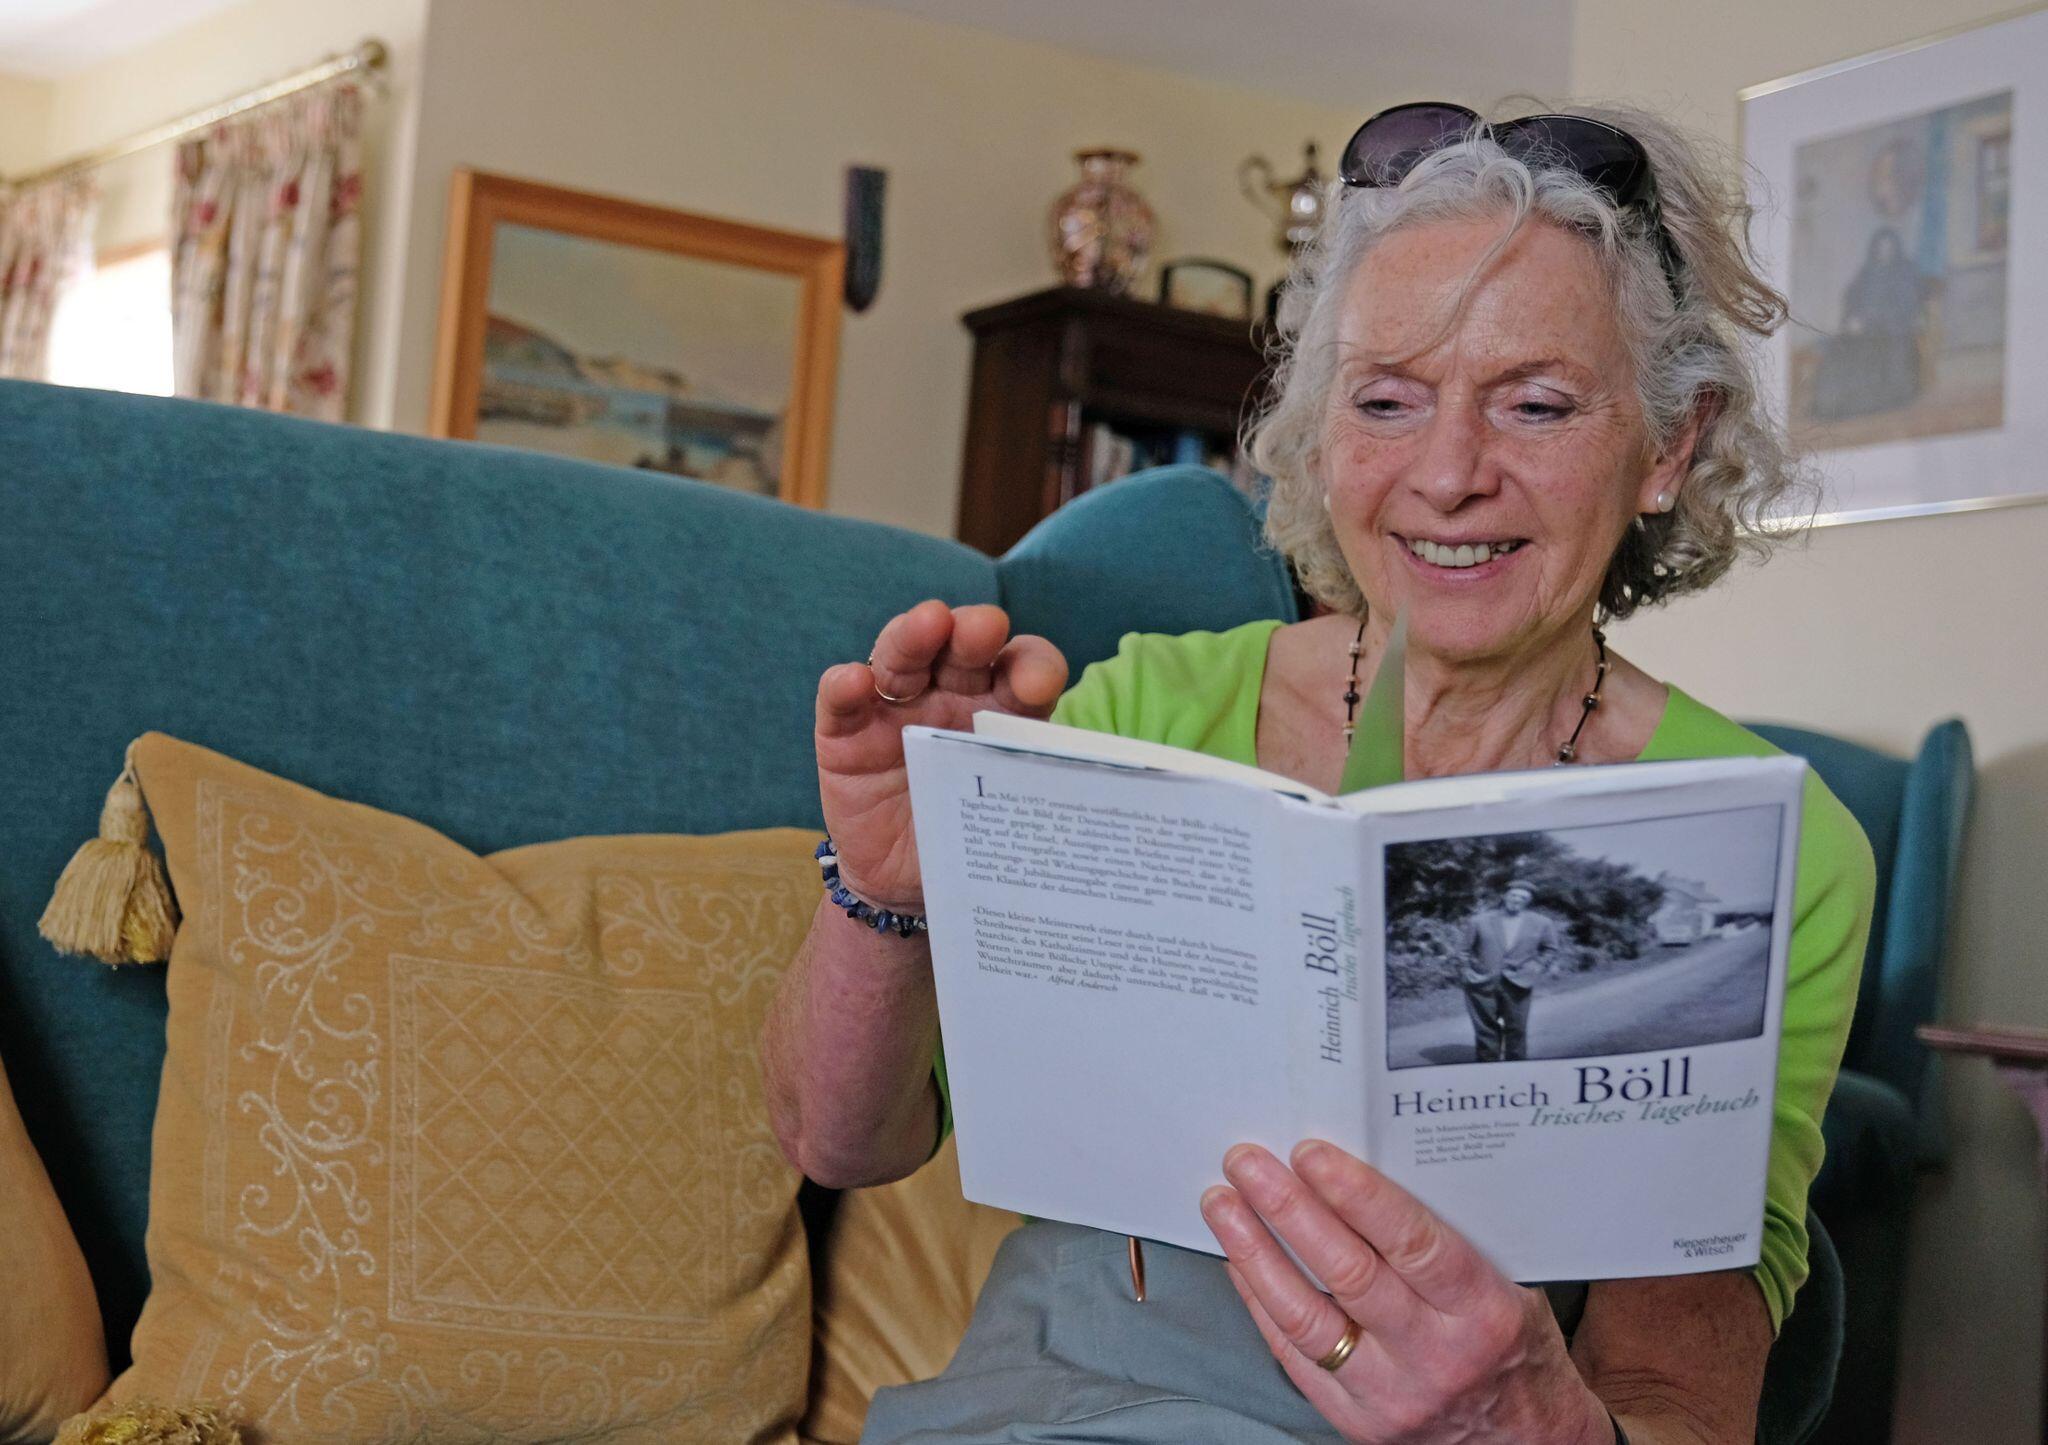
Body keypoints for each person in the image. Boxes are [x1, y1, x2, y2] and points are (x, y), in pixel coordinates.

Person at [761, 99, 1875, 1445]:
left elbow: (1681, 1392)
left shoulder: (1762, 841)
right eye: (1387, 400)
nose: (1449, 474)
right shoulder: (1139, 712)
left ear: (1670, 445)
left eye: (1534, 403)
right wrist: (888, 897)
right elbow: (841, 1142)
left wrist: (1527, 1420)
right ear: (1321, 432)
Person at [1459, 878, 1565, 1062]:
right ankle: (1487, 1069)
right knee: (1485, 1030)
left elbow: (1551, 948)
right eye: (1513, 895)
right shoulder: (1479, 921)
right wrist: (1466, 970)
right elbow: (1463, 950)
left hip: (1520, 983)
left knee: (1517, 1030)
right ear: (1504, 896)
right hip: (1482, 983)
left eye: (1523, 898)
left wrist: (1537, 966)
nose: (1517, 900)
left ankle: (1516, 1070)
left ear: (1528, 901)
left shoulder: (1542, 923)